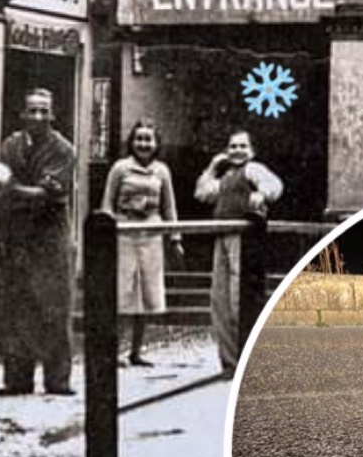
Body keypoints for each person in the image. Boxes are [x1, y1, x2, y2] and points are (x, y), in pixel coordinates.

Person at [0, 88, 77, 395]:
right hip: (17, 236)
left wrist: (9, 190)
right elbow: (2, 190)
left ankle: (57, 379)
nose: (37, 116)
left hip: (50, 238)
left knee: (52, 305)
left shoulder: (63, 150)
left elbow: (47, 194)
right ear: (22, 114)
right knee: (15, 304)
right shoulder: (11, 145)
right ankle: (17, 379)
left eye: (43, 110)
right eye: (32, 110)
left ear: (52, 115)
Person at [194, 130, 283, 376]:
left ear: (251, 151)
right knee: (220, 299)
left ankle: (247, 360)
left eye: (243, 146)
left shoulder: (253, 169)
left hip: (243, 239)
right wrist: (213, 167)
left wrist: (261, 194)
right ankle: (230, 361)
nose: (237, 151)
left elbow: (274, 186)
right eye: (232, 146)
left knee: (238, 298)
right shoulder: (224, 177)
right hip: (222, 236)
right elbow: (202, 194)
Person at [101, 119, 184, 366]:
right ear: (131, 142)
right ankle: (114, 351)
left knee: (147, 294)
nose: (143, 144)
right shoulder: (120, 168)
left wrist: (175, 238)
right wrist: (106, 232)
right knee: (123, 292)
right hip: (124, 234)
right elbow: (107, 202)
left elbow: (169, 206)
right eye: (139, 139)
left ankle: (136, 352)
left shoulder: (162, 171)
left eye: (148, 139)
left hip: (151, 236)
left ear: (156, 143)